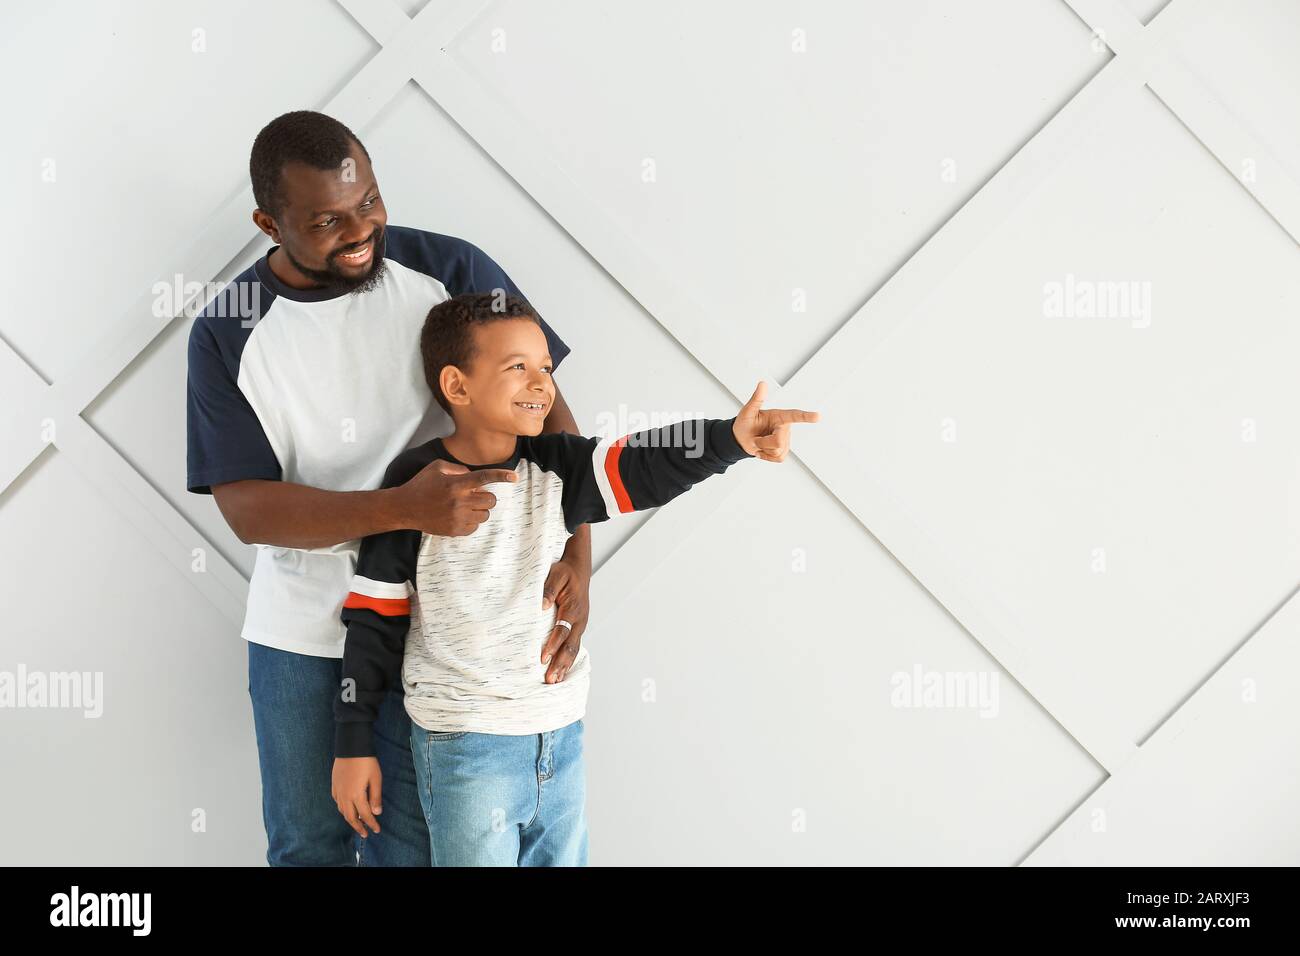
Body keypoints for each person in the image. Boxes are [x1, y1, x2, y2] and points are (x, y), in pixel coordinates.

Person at [185, 110, 592, 866]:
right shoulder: (228, 330)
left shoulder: (453, 271)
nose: (360, 228)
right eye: (328, 220)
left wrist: (581, 555)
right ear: (269, 223)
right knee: (311, 848)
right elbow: (245, 508)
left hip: (452, 632)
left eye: (368, 201)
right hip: (306, 639)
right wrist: (401, 507)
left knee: (415, 856)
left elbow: (548, 419)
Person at [331, 291, 819, 865]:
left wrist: (729, 439)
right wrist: (352, 743)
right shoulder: (415, 482)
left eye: (545, 367)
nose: (542, 384)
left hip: (558, 736)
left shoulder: (559, 465)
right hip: (464, 744)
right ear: (457, 386)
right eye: (518, 368)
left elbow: (643, 462)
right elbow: (374, 620)